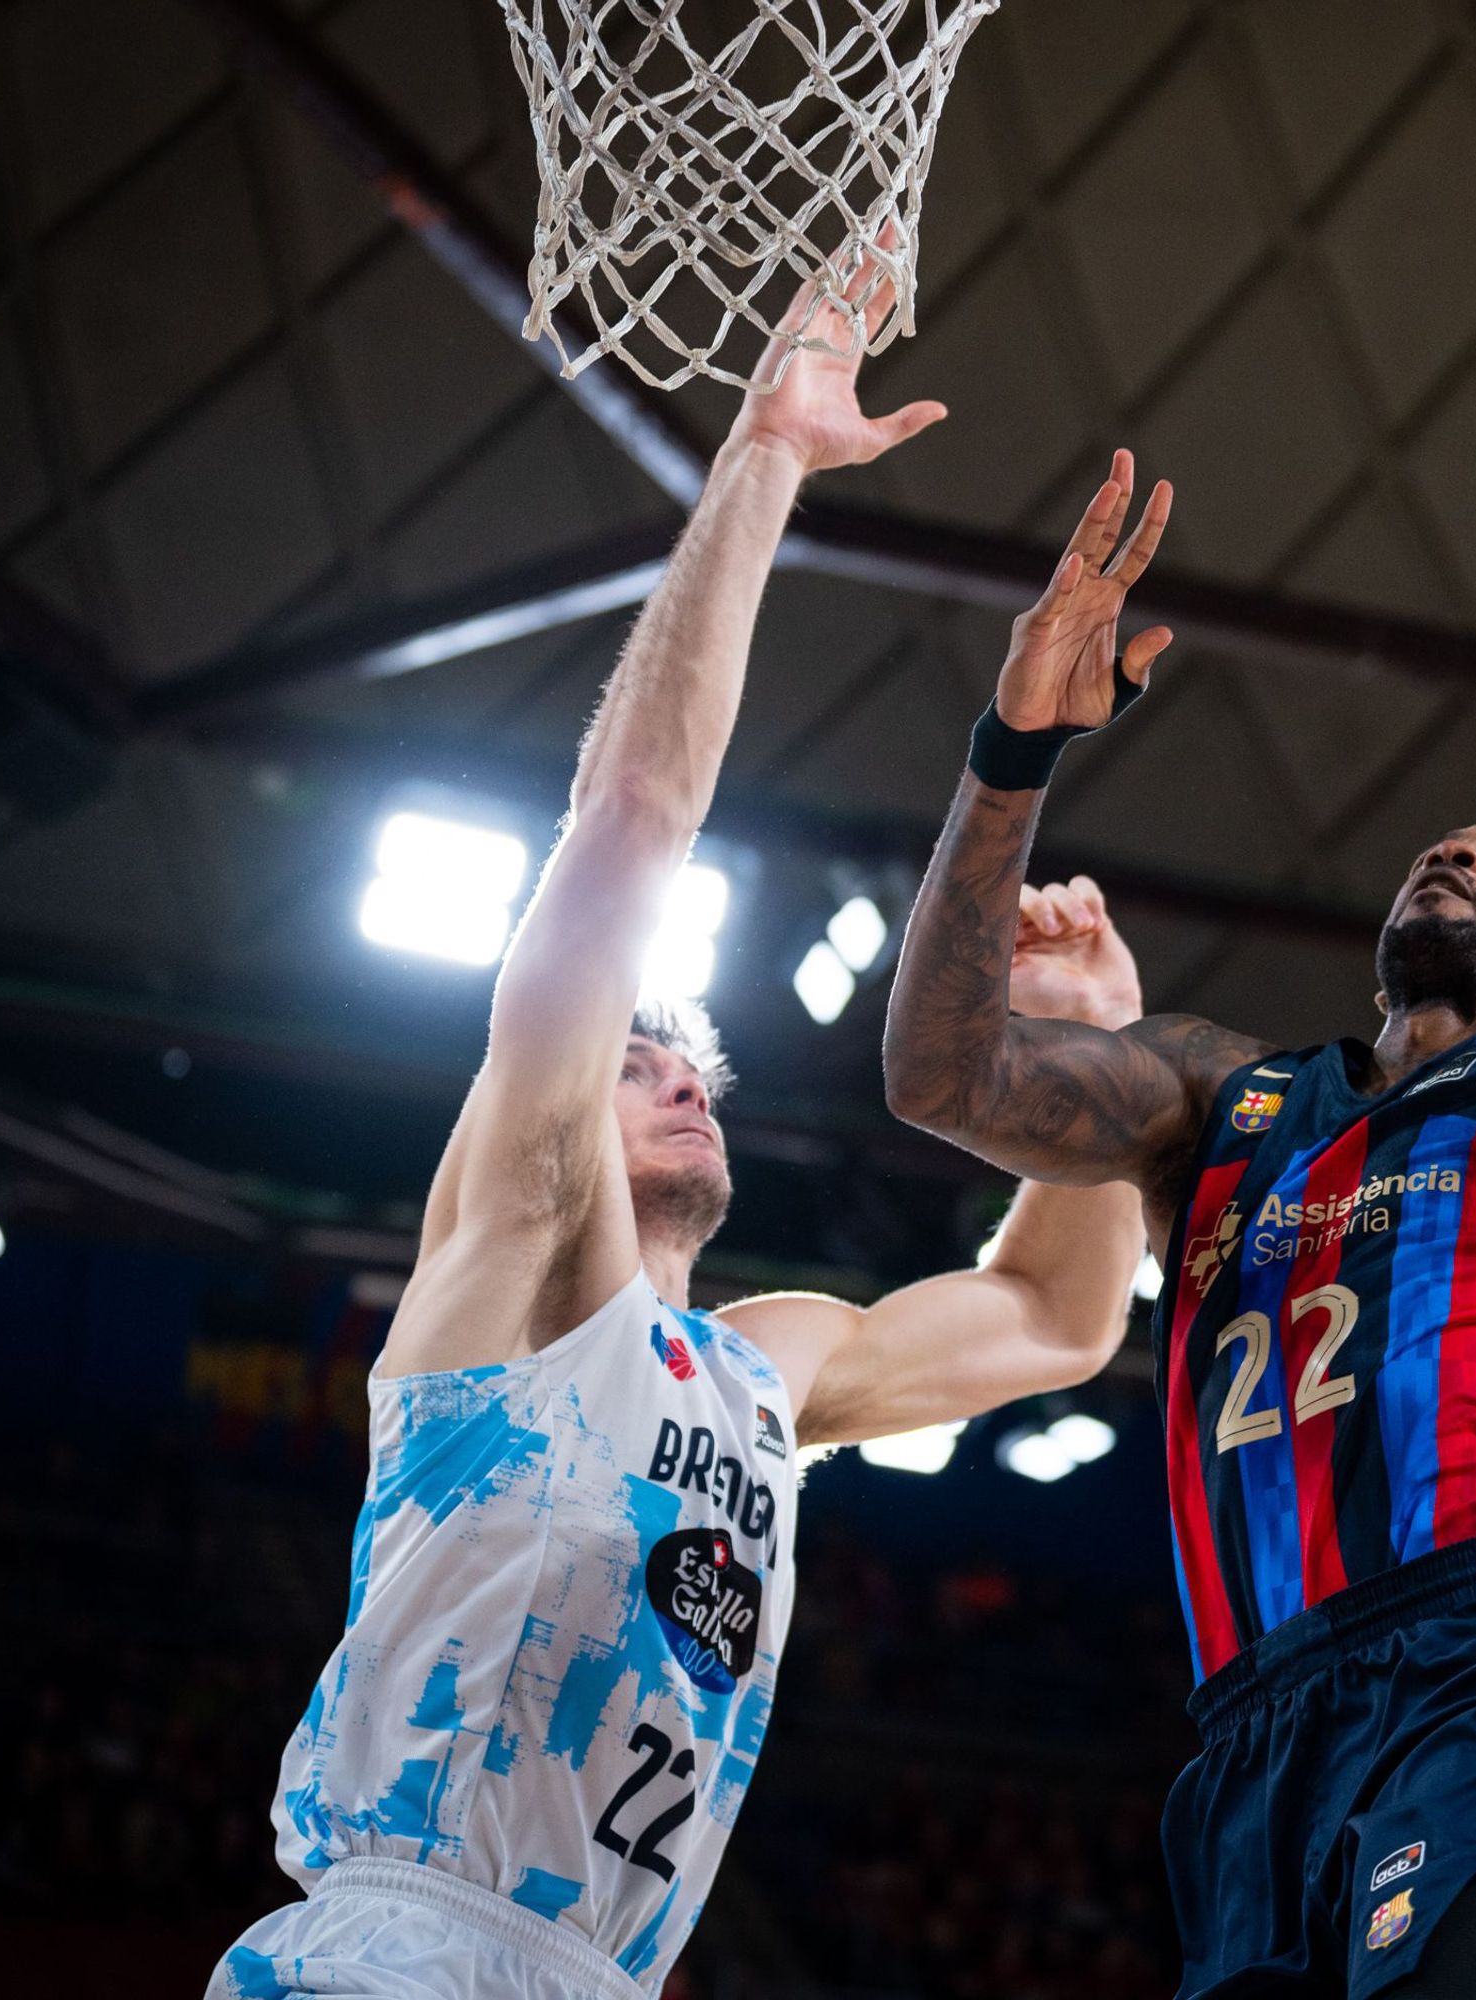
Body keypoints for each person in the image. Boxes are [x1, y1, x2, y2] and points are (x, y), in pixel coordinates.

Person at [880, 127, 1476, 2000]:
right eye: (1442, 847)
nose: (1454, 853)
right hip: (1254, 1736)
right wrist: (1012, 747)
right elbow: (937, 1072)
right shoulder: (1223, 1106)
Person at [210, 273, 1150, 2000]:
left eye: (693, 1063)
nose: (678, 1070)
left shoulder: (766, 1377)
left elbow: (1059, 1318)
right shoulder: (523, 1267)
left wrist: (1089, 1039)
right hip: (400, 1945)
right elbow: (636, 816)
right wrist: (767, 459)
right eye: (637, 1054)